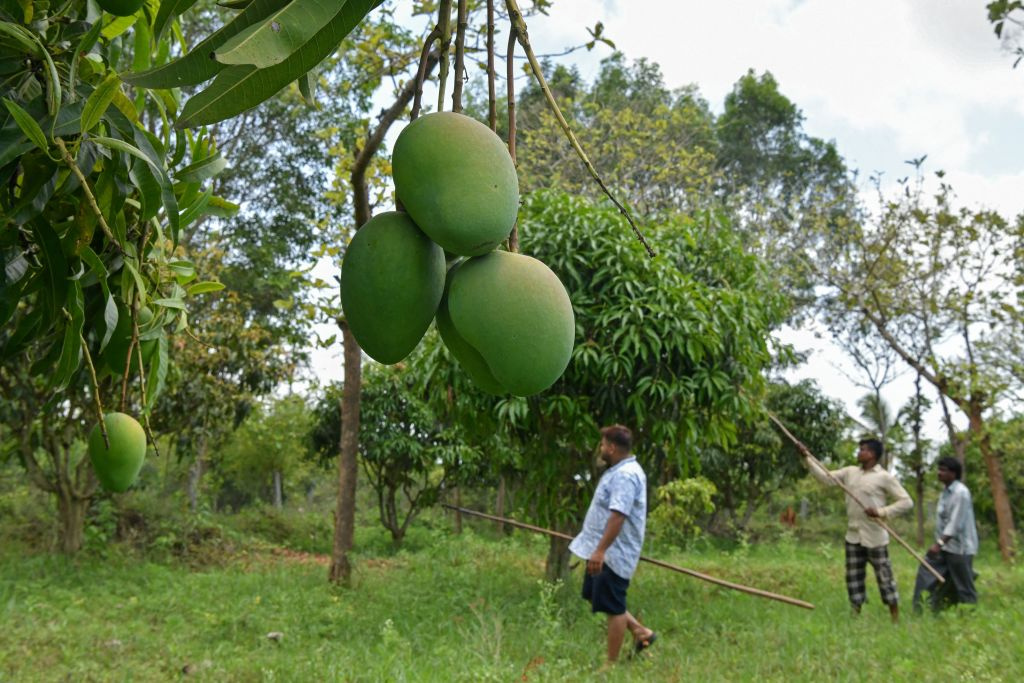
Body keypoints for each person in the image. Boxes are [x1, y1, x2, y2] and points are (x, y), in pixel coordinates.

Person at [569, 424, 656, 669]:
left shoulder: (626, 475)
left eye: (603, 444)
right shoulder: (617, 470)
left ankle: (610, 665)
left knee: (614, 607)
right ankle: (641, 632)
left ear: (612, 447)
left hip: (613, 554)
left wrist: (600, 551)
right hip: (602, 549)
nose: (601, 448)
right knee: (594, 595)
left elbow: (618, 515)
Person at [803, 438, 913, 622]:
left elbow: (907, 502)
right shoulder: (849, 472)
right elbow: (825, 477)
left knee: (885, 578)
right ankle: (856, 614)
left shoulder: (884, 477)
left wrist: (881, 512)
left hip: (876, 538)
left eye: (863, 450)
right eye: (860, 449)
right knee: (854, 578)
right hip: (853, 536)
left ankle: (895, 617)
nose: (859, 452)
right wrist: (806, 457)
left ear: (873, 454)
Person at [912, 457, 979, 613]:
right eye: (939, 469)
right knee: (926, 569)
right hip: (944, 546)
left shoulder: (961, 493)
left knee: (963, 583)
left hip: (959, 548)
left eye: (943, 470)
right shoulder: (945, 492)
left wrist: (939, 544)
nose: (939, 473)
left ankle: (968, 612)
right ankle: (923, 608)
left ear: (953, 473)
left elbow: (956, 523)